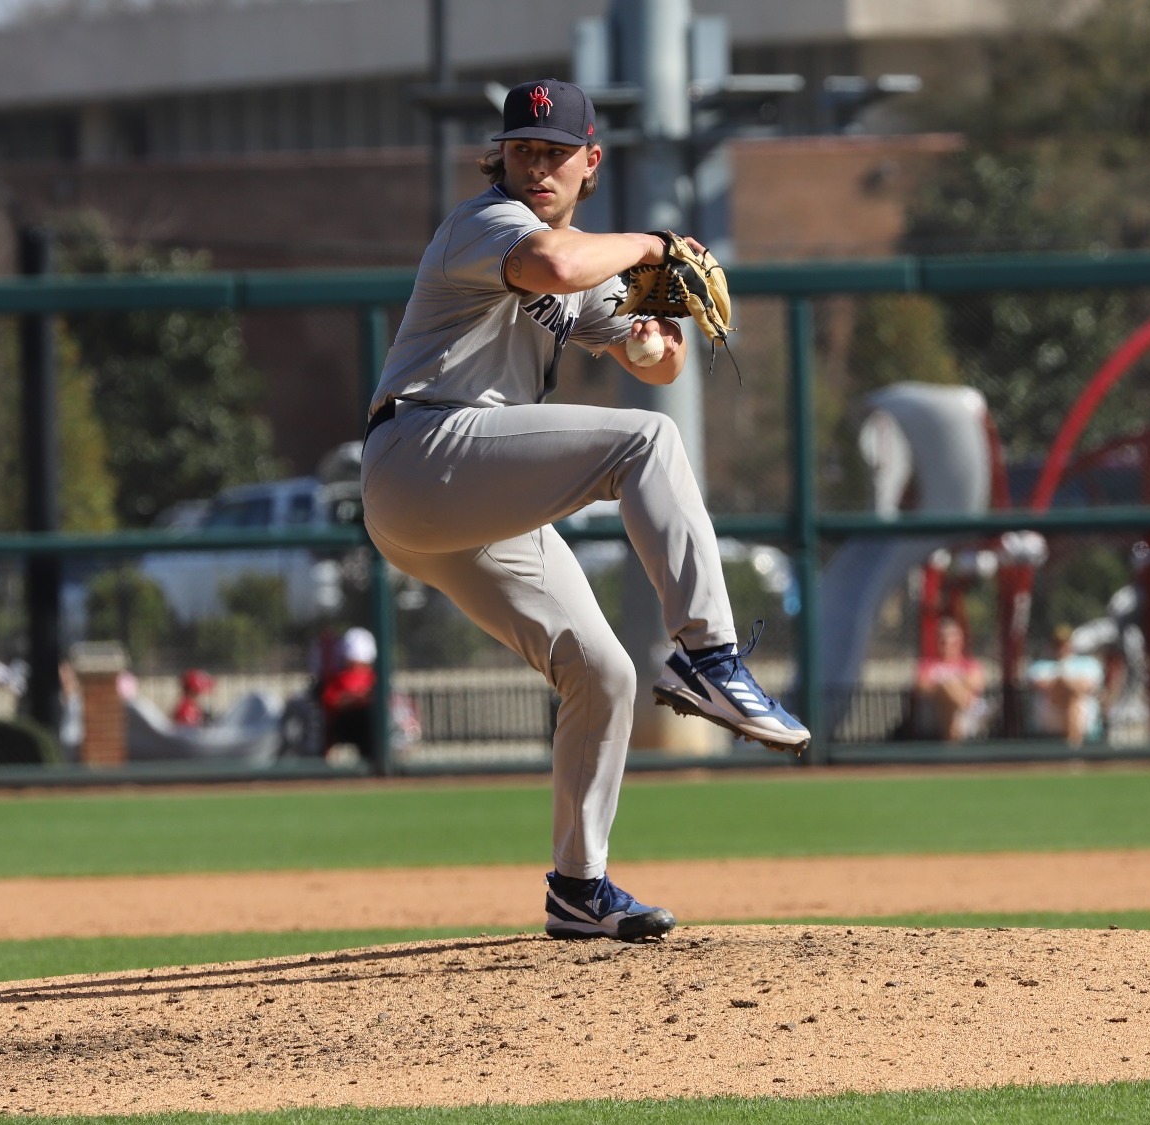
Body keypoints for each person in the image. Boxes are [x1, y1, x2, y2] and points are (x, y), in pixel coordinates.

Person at [359, 79, 809, 943]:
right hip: (420, 452)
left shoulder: (583, 267)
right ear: (502, 157)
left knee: (601, 674)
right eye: (523, 149)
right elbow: (558, 267)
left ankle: (579, 886)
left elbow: (654, 363)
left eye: (554, 153)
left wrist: (653, 335)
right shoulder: (485, 224)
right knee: (643, 444)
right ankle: (710, 656)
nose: (536, 166)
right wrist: (656, 242)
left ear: (588, 162)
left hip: (470, 503)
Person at [911, 616, 988, 742]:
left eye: (953, 642)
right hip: (935, 716)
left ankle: (952, 736)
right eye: (943, 641)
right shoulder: (927, 665)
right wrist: (949, 685)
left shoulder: (971, 664)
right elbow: (921, 686)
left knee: (948, 685)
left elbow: (977, 684)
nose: (948, 646)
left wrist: (945, 682)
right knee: (945, 689)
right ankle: (977, 710)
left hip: (966, 717)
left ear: (961, 642)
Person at [1027, 625, 1105, 747]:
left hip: (1083, 717)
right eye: (1057, 643)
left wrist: (1063, 680)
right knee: (1067, 691)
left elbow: (1086, 686)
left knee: (1073, 698)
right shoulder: (1040, 665)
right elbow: (1042, 685)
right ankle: (1073, 750)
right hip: (1049, 716)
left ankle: (1072, 745)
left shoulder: (1088, 663)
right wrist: (1063, 681)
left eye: (1064, 643)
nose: (1061, 647)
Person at [318, 626, 380, 772]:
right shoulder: (338, 679)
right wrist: (356, 699)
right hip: (342, 726)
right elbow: (329, 702)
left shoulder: (376, 679)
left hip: (370, 730)